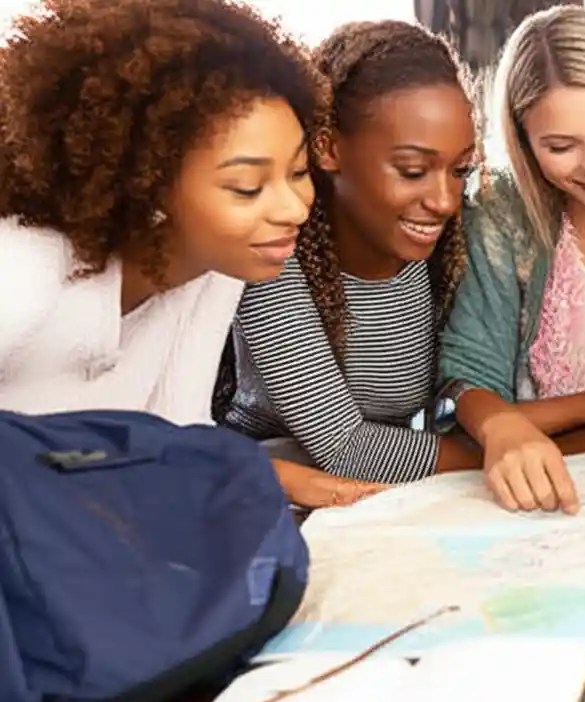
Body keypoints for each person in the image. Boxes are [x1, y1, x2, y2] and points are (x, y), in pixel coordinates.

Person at [0, 0, 369, 507]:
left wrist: (296, 483)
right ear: (147, 184)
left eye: (299, 172)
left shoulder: (214, 268)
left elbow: (176, 435)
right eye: (245, 187)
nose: (294, 208)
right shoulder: (21, 275)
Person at [223, 20, 481, 485]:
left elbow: (467, 380)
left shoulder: (451, 250)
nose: (445, 200)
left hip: (387, 495)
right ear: (328, 147)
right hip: (269, 493)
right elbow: (348, 448)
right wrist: (517, 456)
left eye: (460, 169)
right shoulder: (271, 261)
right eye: (412, 170)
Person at [437, 6, 585, 514]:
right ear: (524, 141)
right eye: (561, 146)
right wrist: (502, 423)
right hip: (554, 476)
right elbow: (466, 373)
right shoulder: (503, 217)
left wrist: (530, 417)